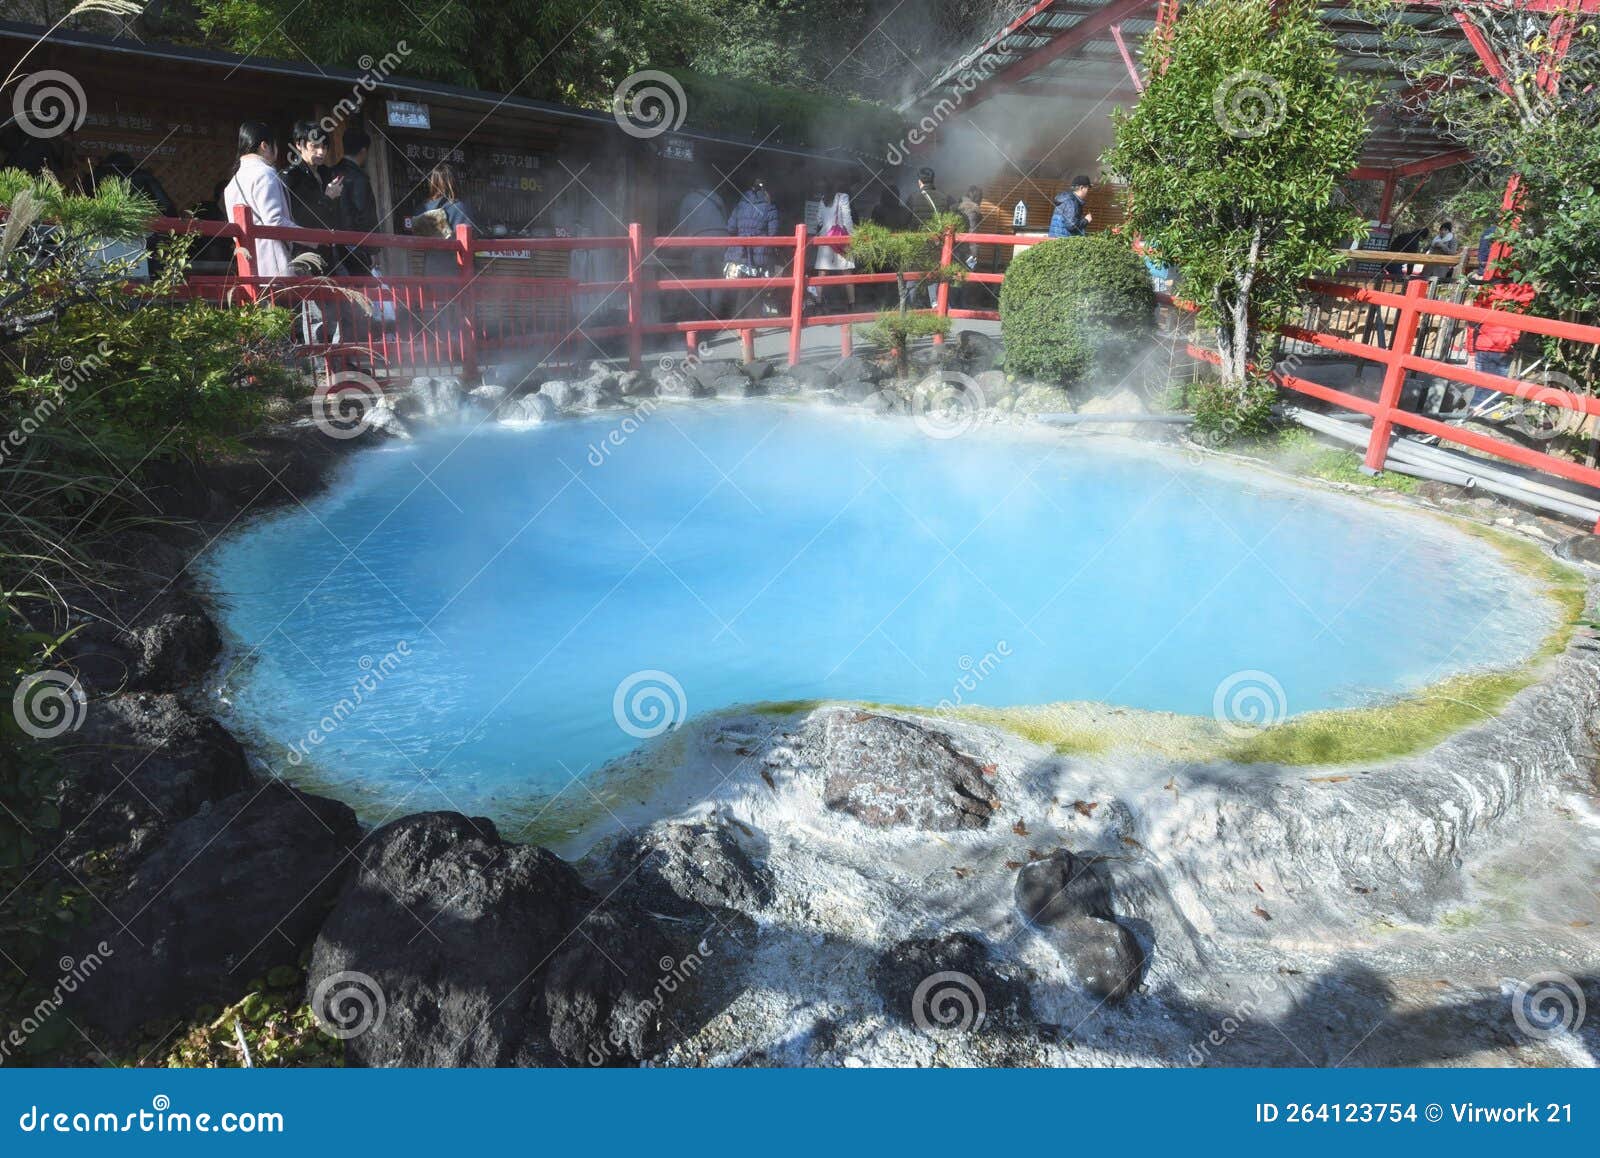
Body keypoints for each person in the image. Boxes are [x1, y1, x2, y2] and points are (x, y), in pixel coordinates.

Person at [222, 120, 295, 279]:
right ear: (265, 146)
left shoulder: (232, 184)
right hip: (274, 266)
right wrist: (310, 238)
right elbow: (275, 222)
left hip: (248, 265)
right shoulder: (266, 174)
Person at [725, 179, 781, 316]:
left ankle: (739, 323)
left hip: (740, 252)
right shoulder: (770, 208)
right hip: (760, 254)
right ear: (766, 191)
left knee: (742, 289)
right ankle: (753, 322)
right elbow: (773, 233)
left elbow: (731, 228)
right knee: (756, 289)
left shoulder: (740, 205)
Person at [674, 182, 729, 318]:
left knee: (701, 279)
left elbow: (682, 226)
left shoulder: (688, 198)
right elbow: (726, 220)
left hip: (701, 241)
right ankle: (716, 314)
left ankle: (702, 316)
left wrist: (682, 248)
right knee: (717, 278)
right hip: (721, 240)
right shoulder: (717, 197)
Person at [329, 124, 378, 276]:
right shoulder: (359, 178)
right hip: (357, 246)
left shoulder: (331, 172)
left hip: (333, 244)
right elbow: (364, 215)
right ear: (363, 151)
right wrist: (373, 250)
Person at [813, 186, 856, 311]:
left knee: (822, 271)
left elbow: (819, 219)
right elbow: (847, 217)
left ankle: (819, 302)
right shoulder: (843, 196)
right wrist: (851, 235)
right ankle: (851, 304)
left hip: (825, 236)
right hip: (840, 236)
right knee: (846, 270)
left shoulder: (823, 199)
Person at [957, 185, 983, 306]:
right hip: (968, 249)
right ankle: (963, 303)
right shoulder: (974, 210)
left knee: (954, 275)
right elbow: (973, 233)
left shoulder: (957, 205)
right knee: (967, 276)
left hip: (955, 248)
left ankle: (952, 302)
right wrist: (975, 254)